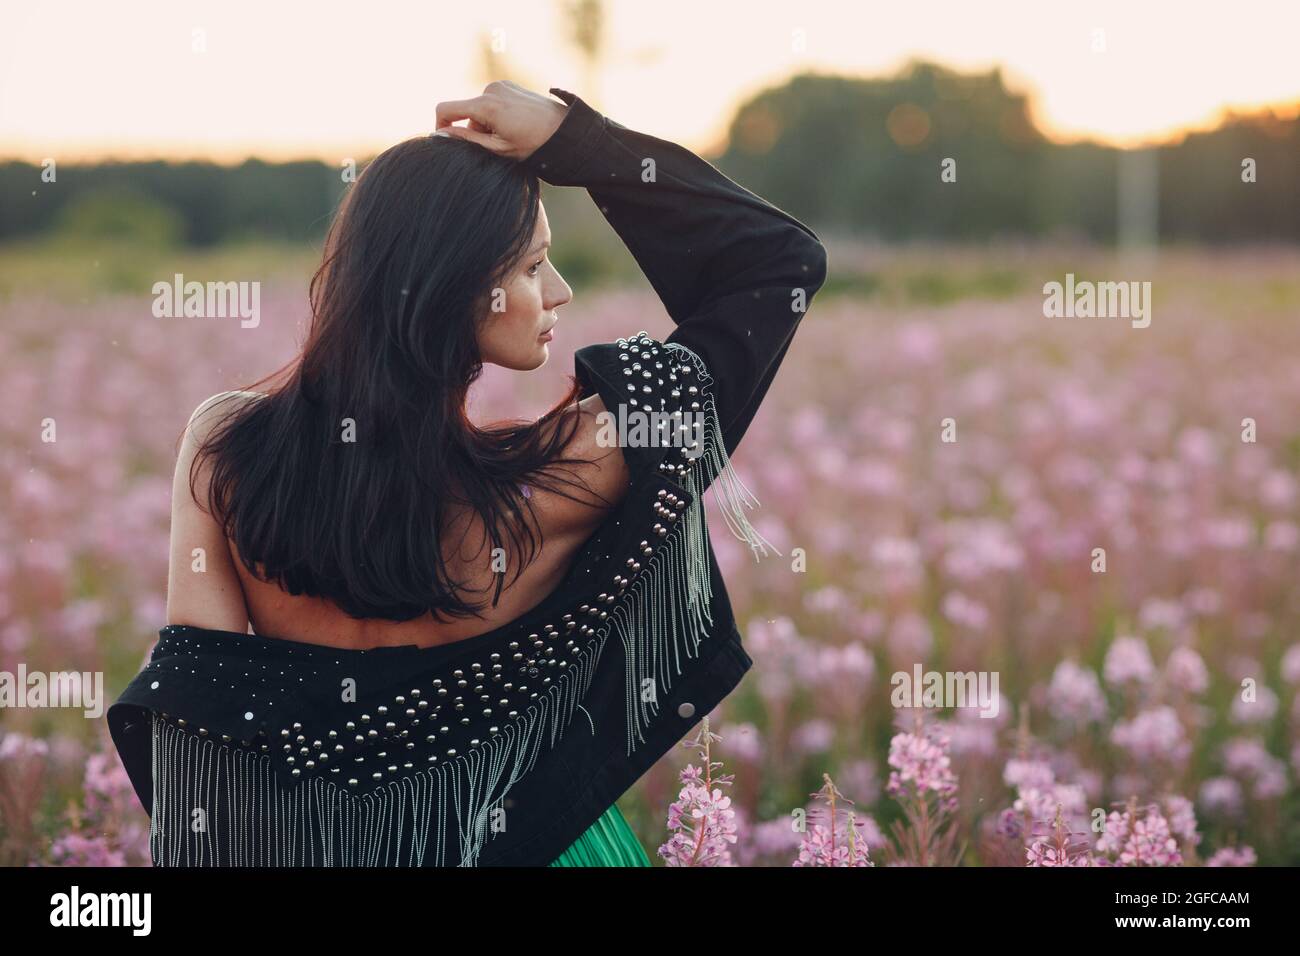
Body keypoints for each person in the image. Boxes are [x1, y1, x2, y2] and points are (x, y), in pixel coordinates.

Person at [107, 81, 828, 866]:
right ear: (457, 288)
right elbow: (777, 262)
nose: (559, 291)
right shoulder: (564, 478)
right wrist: (574, 140)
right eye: (532, 267)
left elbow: (202, 718)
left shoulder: (222, 448)